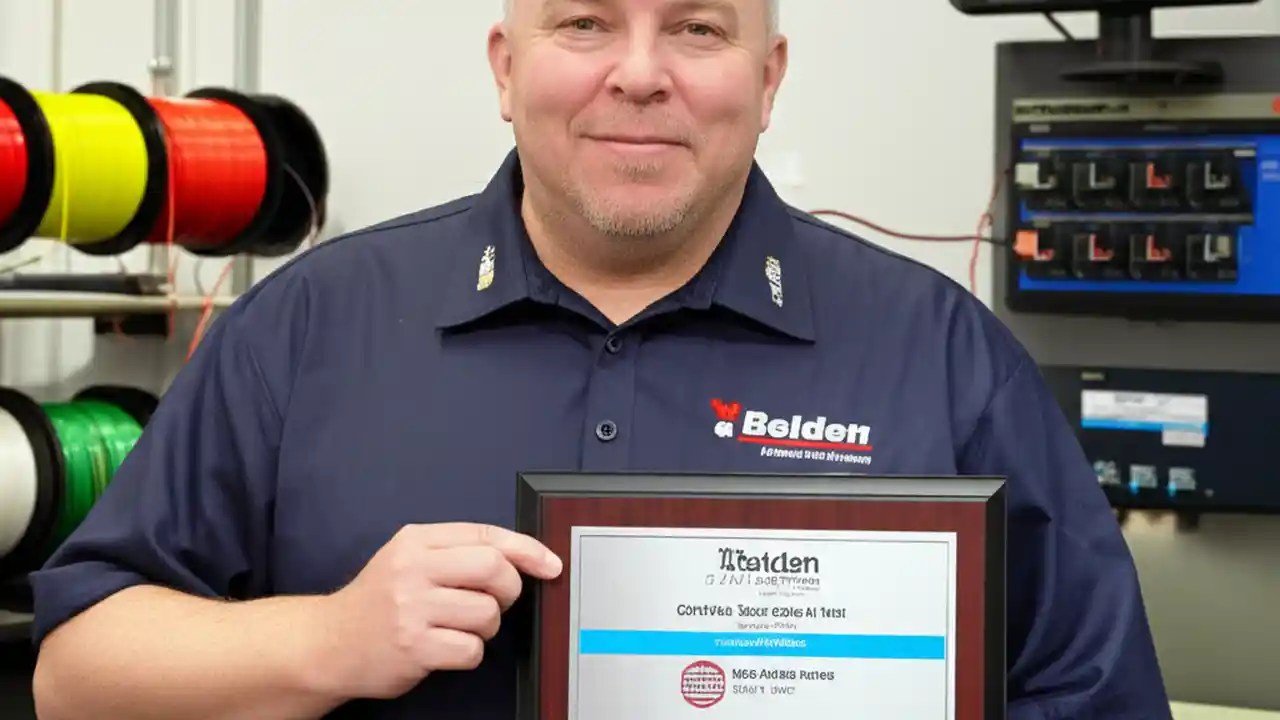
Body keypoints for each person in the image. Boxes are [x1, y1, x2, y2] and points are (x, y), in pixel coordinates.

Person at [28, 0, 1171, 717]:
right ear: (503, 66)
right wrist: (328, 638)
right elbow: (73, 677)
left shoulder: (942, 356)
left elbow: (1095, 696)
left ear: (766, 79)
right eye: (583, 23)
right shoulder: (308, 325)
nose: (637, 73)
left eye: (697, 28)